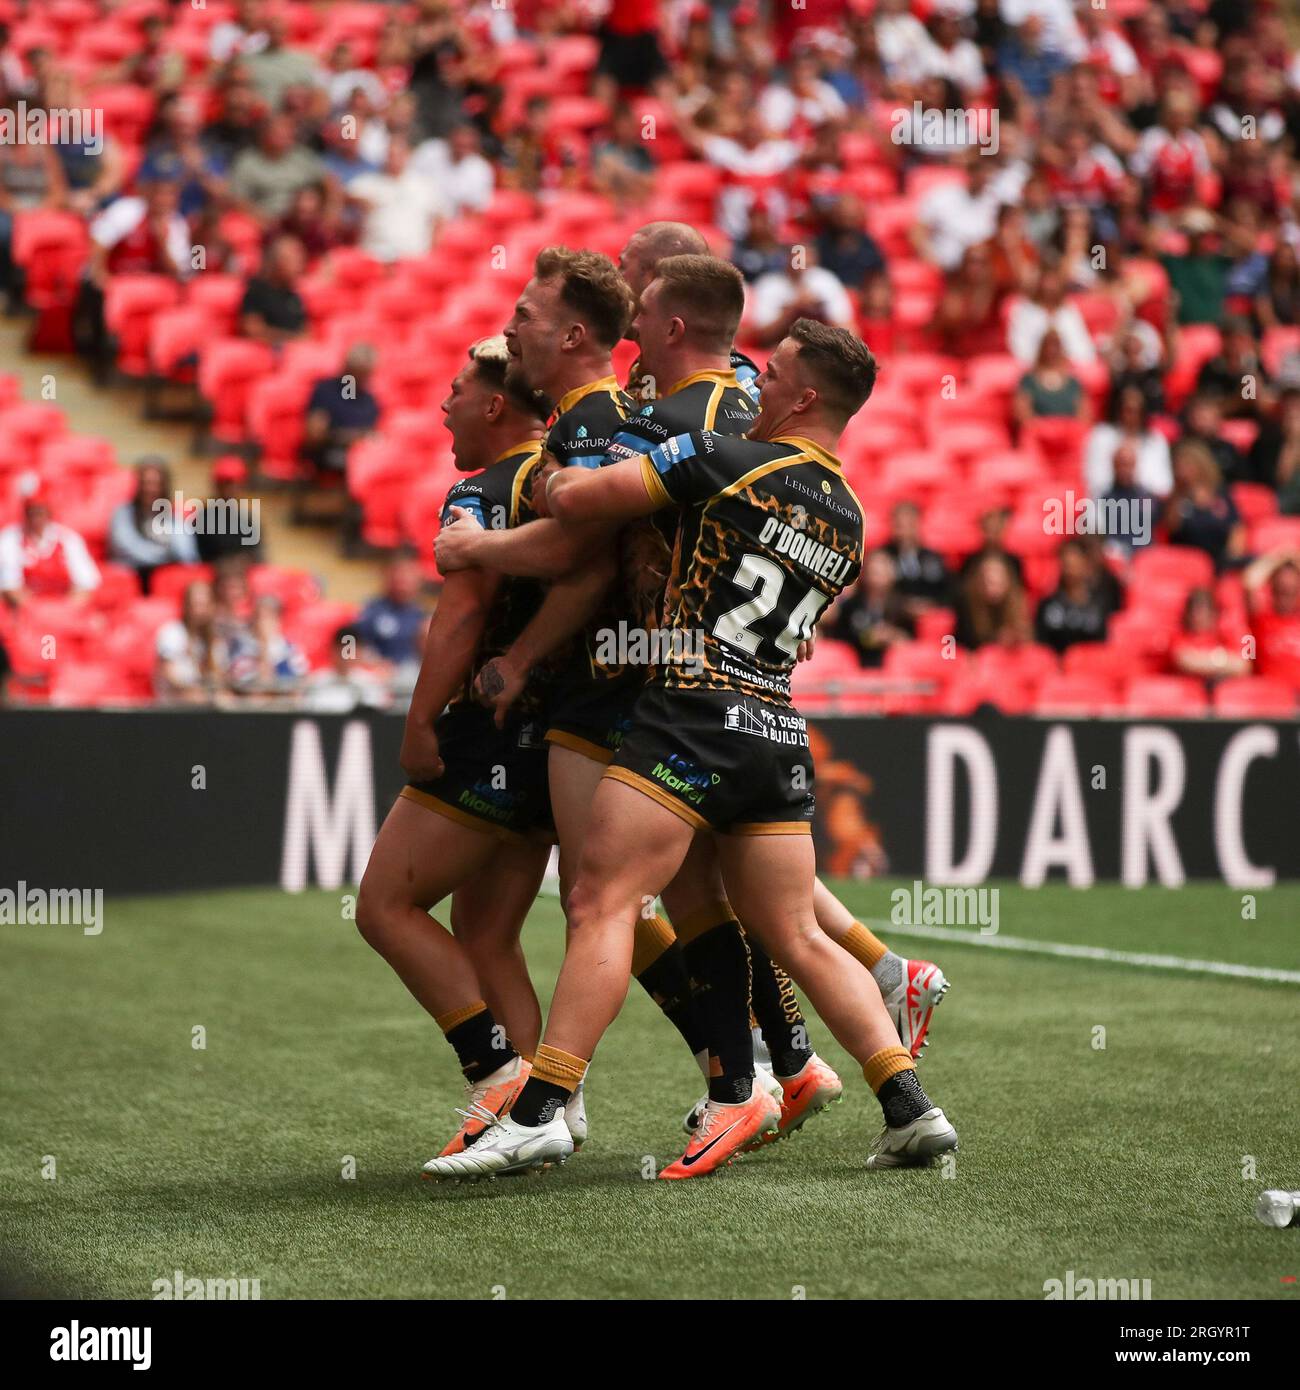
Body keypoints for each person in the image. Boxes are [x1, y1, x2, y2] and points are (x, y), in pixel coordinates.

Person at [424, 321, 959, 1181]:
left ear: (807, 397)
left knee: (601, 900)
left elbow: (579, 503)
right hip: (778, 731)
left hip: (693, 713)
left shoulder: (727, 454)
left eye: (776, 375)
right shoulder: (854, 519)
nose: (759, 387)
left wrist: (557, 457)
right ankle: (910, 1105)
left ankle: (539, 1110)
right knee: (795, 933)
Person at [355, 335, 556, 1159]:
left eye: (456, 392)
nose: (444, 408)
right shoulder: (566, 477)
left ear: (494, 404)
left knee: (383, 906)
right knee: (488, 935)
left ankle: (497, 1076)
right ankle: (549, 1108)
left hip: (485, 732)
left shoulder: (485, 489)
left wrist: (418, 721)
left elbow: (462, 616)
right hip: (557, 737)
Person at [107, 458, 199, 591]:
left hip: (165, 579)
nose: (150, 489)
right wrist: (165, 555)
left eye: (156, 484)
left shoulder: (172, 516)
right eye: (146, 483)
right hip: (134, 578)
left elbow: (187, 554)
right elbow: (127, 549)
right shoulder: (122, 514)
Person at [0, 491, 100, 606]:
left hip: (63, 606)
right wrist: (35, 610)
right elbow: (9, 586)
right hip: (25, 608)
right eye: (32, 513)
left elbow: (85, 583)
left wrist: (62, 610)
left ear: (49, 514)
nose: (36, 519)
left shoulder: (68, 539)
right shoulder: (10, 539)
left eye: (40, 513)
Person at [1163, 439, 1246, 572]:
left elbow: (1236, 529)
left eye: (1187, 465)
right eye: (1179, 466)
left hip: (1221, 562)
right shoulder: (1176, 499)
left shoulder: (1221, 495)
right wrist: (1179, 492)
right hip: (1188, 564)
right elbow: (1171, 527)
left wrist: (1231, 558)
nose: (1182, 470)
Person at [826, 549, 915, 668]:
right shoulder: (852, 605)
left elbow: (911, 639)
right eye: (875, 571)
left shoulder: (901, 605)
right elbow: (841, 638)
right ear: (865, 574)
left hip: (894, 666)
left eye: (883, 570)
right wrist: (868, 637)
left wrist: (894, 636)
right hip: (857, 663)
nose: (878, 577)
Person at [1034, 538, 1113, 653]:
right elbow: (1041, 646)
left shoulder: (1101, 603)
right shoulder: (1047, 604)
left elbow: (1105, 644)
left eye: (1074, 563)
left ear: (1086, 564)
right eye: (1066, 564)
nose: (1070, 570)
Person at [155, 580, 229, 703]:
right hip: (176, 703)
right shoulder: (172, 633)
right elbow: (169, 675)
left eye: (204, 605)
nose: (200, 611)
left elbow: (220, 677)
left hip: (207, 701)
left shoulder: (216, 639)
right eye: (196, 605)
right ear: (186, 606)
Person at [353, 553, 428, 665]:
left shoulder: (421, 616)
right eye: (401, 575)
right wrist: (370, 663)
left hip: (410, 672)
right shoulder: (370, 610)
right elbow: (349, 641)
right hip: (374, 671)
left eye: (410, 577)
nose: (404, 582)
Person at [239, 233, 307, 345]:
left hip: (295, 351)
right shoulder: (256, 290)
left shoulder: (294, 295)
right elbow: (253, 331)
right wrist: (292, 340)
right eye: (292, 261)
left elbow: (306, 330)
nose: (298, 267)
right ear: (276, 263)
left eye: (300, 261)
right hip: (266, 351)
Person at [1170, 588, 1250, 683]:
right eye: (1196, 613)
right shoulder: (1180, 636)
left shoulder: (1222, 636)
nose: (1199, 618)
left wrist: (1204, 661)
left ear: (1214, 614)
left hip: (1224, 690)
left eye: (1205, 612)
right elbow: (1185, 662)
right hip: (1187, 692)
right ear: (1188, 615)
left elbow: (1243, 666)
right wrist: (1222, 660)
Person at [955, 553, 1030, 649]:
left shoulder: (1018, 604)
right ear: (978, 582)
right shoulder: (965, 606)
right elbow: (963, 646)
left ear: (1007, 581)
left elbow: (1028, 642)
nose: (991, 588)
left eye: (996, 583)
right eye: (987, 581)